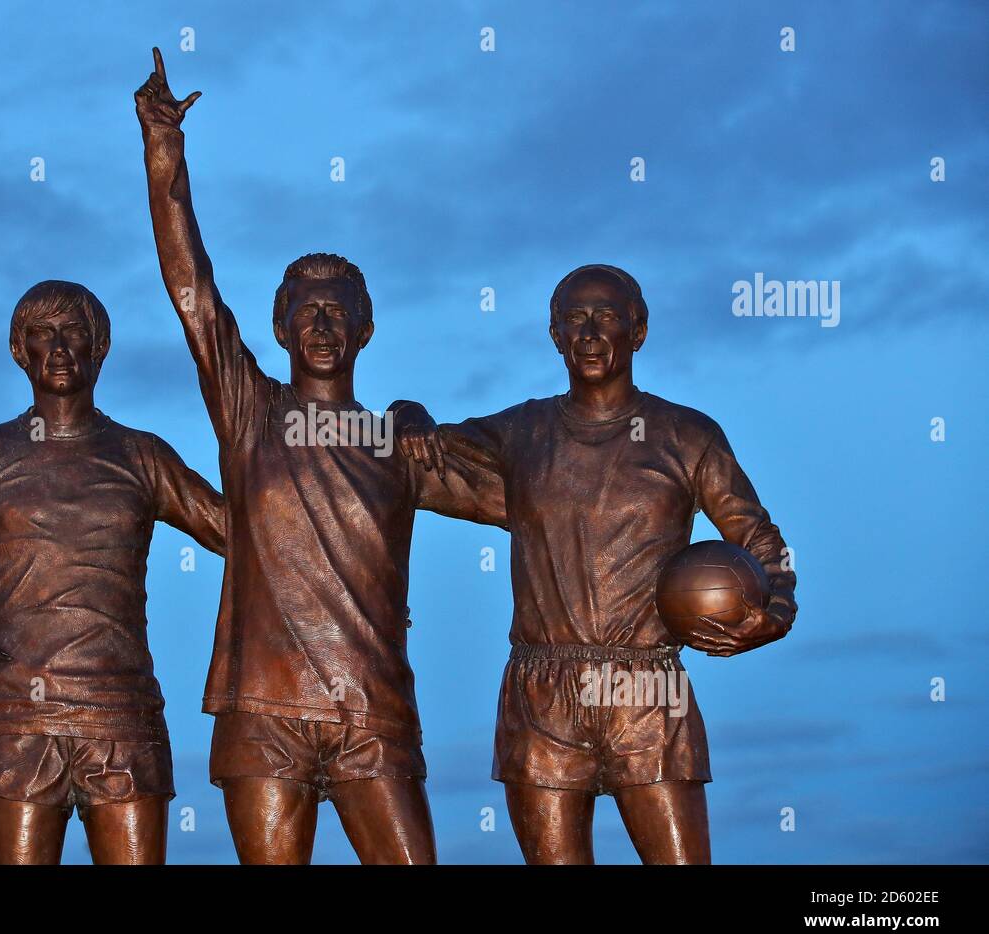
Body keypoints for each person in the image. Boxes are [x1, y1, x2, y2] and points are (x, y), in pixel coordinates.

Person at [134, 49, 505, 864]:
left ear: (366, 330)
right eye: (307, 310)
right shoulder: (251, 412)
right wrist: (165, 151)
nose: (324, 324)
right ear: (279, 328)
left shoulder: (399, 442)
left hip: (374, 713)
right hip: (264, 713)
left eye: (340, 311)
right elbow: (191, 287)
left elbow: (533, 500)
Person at [396, 264, 797, 863]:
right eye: (574, 319)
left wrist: (777, 608)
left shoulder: (687, 436)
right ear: (555, 335)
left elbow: (761, 539)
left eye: (605, 316)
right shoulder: (521, 433)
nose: (589, 332)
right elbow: (415, 462)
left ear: (637, 330)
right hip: (542, 691)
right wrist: (404, 413)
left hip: (648, 689)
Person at [0, 280, 224, 864]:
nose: (60, 347)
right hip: (18, 720)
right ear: (21, 350)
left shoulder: (142, 456)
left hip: (124, 719)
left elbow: (251, 539)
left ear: (100, 348)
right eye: (44, 334)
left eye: (75, 333)